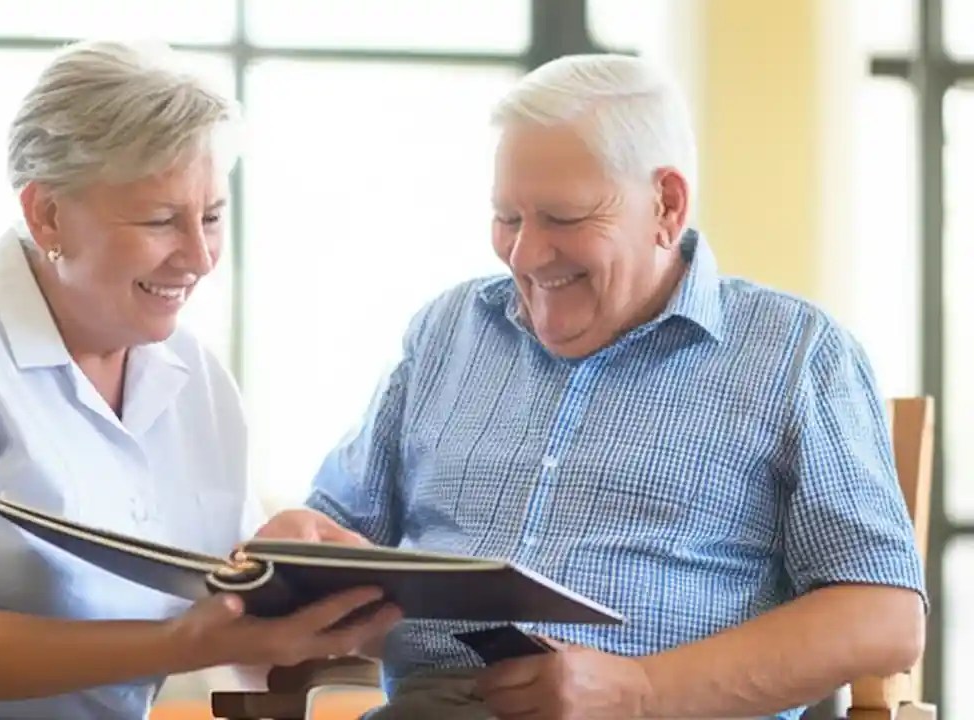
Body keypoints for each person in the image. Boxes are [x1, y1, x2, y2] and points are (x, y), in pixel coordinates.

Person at [257, 53, 927, 720]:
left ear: (666, 204)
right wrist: (297, 550)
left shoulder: (795, 351)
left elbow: (885, 617)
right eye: (509, 219)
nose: (524, 255)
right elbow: (331, 540)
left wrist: (640, 693)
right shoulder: (446, 333)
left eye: (564, 218)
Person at [0, 40, 400, 720]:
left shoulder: (199, 383)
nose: (199, 256)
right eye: (159, 221)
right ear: (47, 215)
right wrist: (177, 641)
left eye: (211, 216)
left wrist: (294, 588)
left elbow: (243, 650)